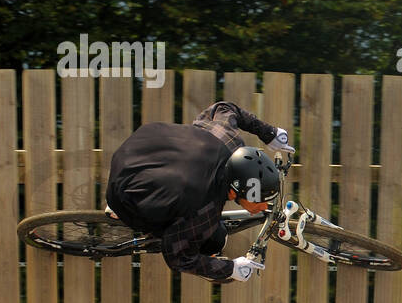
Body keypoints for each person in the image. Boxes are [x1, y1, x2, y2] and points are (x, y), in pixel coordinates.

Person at [104, 101, 294, 283]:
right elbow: (177, 257)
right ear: (237, 190)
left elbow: (225, 107)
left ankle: (140, 191)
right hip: (122, 193)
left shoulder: (228, 141)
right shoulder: (205, 210)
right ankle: (122, 207)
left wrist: (269, 133)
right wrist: (231, 268)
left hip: (135, 150)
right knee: (215, 239)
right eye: (259, 199)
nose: (263, 206)